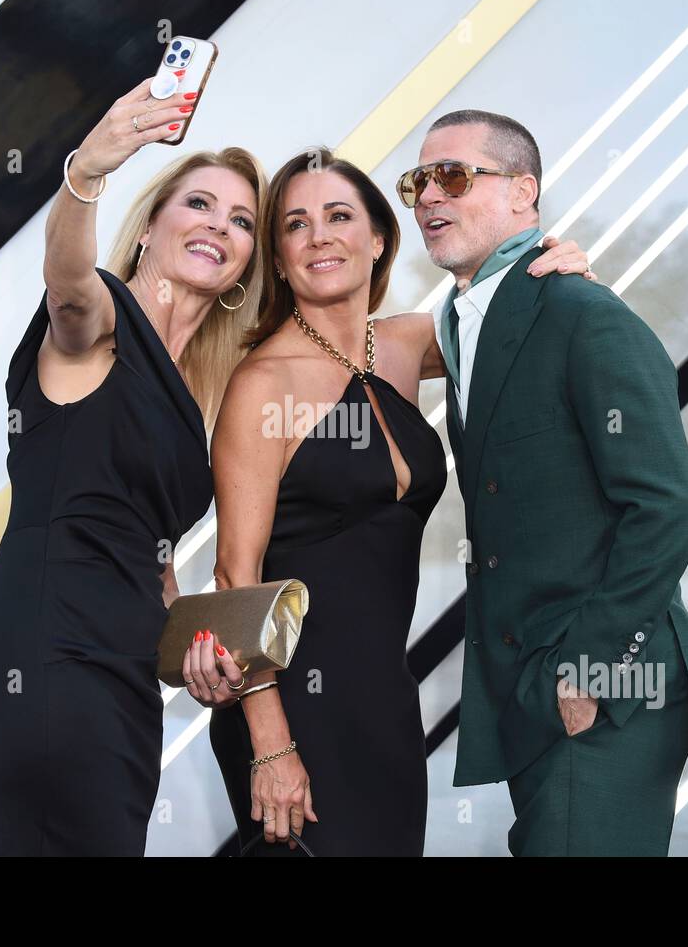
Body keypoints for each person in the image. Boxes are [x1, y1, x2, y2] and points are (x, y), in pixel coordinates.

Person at [183, 147, 590, 855]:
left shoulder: (407, 345)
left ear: (378, 238)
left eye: (339, 215)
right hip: (291, 710)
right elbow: (233, 578)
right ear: (278, 258)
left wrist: (561, 261)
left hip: (385, 705)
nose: (320, 236)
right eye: (296, 224)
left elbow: (515, 309)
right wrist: (271, 744)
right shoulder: (264, 383)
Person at [403, 109, 688, 856]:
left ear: (524, 193)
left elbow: (666, 505)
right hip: (537, 696)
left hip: (607, 693)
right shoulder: (466, 325)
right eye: (416, 180)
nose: (427, 195)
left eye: (452, 175)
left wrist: (585, 672)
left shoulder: (584, 314)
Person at [0, 76, 266, 855]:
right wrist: (85, 175)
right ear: (150, 224)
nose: (217, 226)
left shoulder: (195, 392)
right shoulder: (100, 322)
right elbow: (65, 288)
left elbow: (151, 570)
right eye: (197, 204)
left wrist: (196, 650)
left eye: (240, 220)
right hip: (46, 662)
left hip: (122, 686)